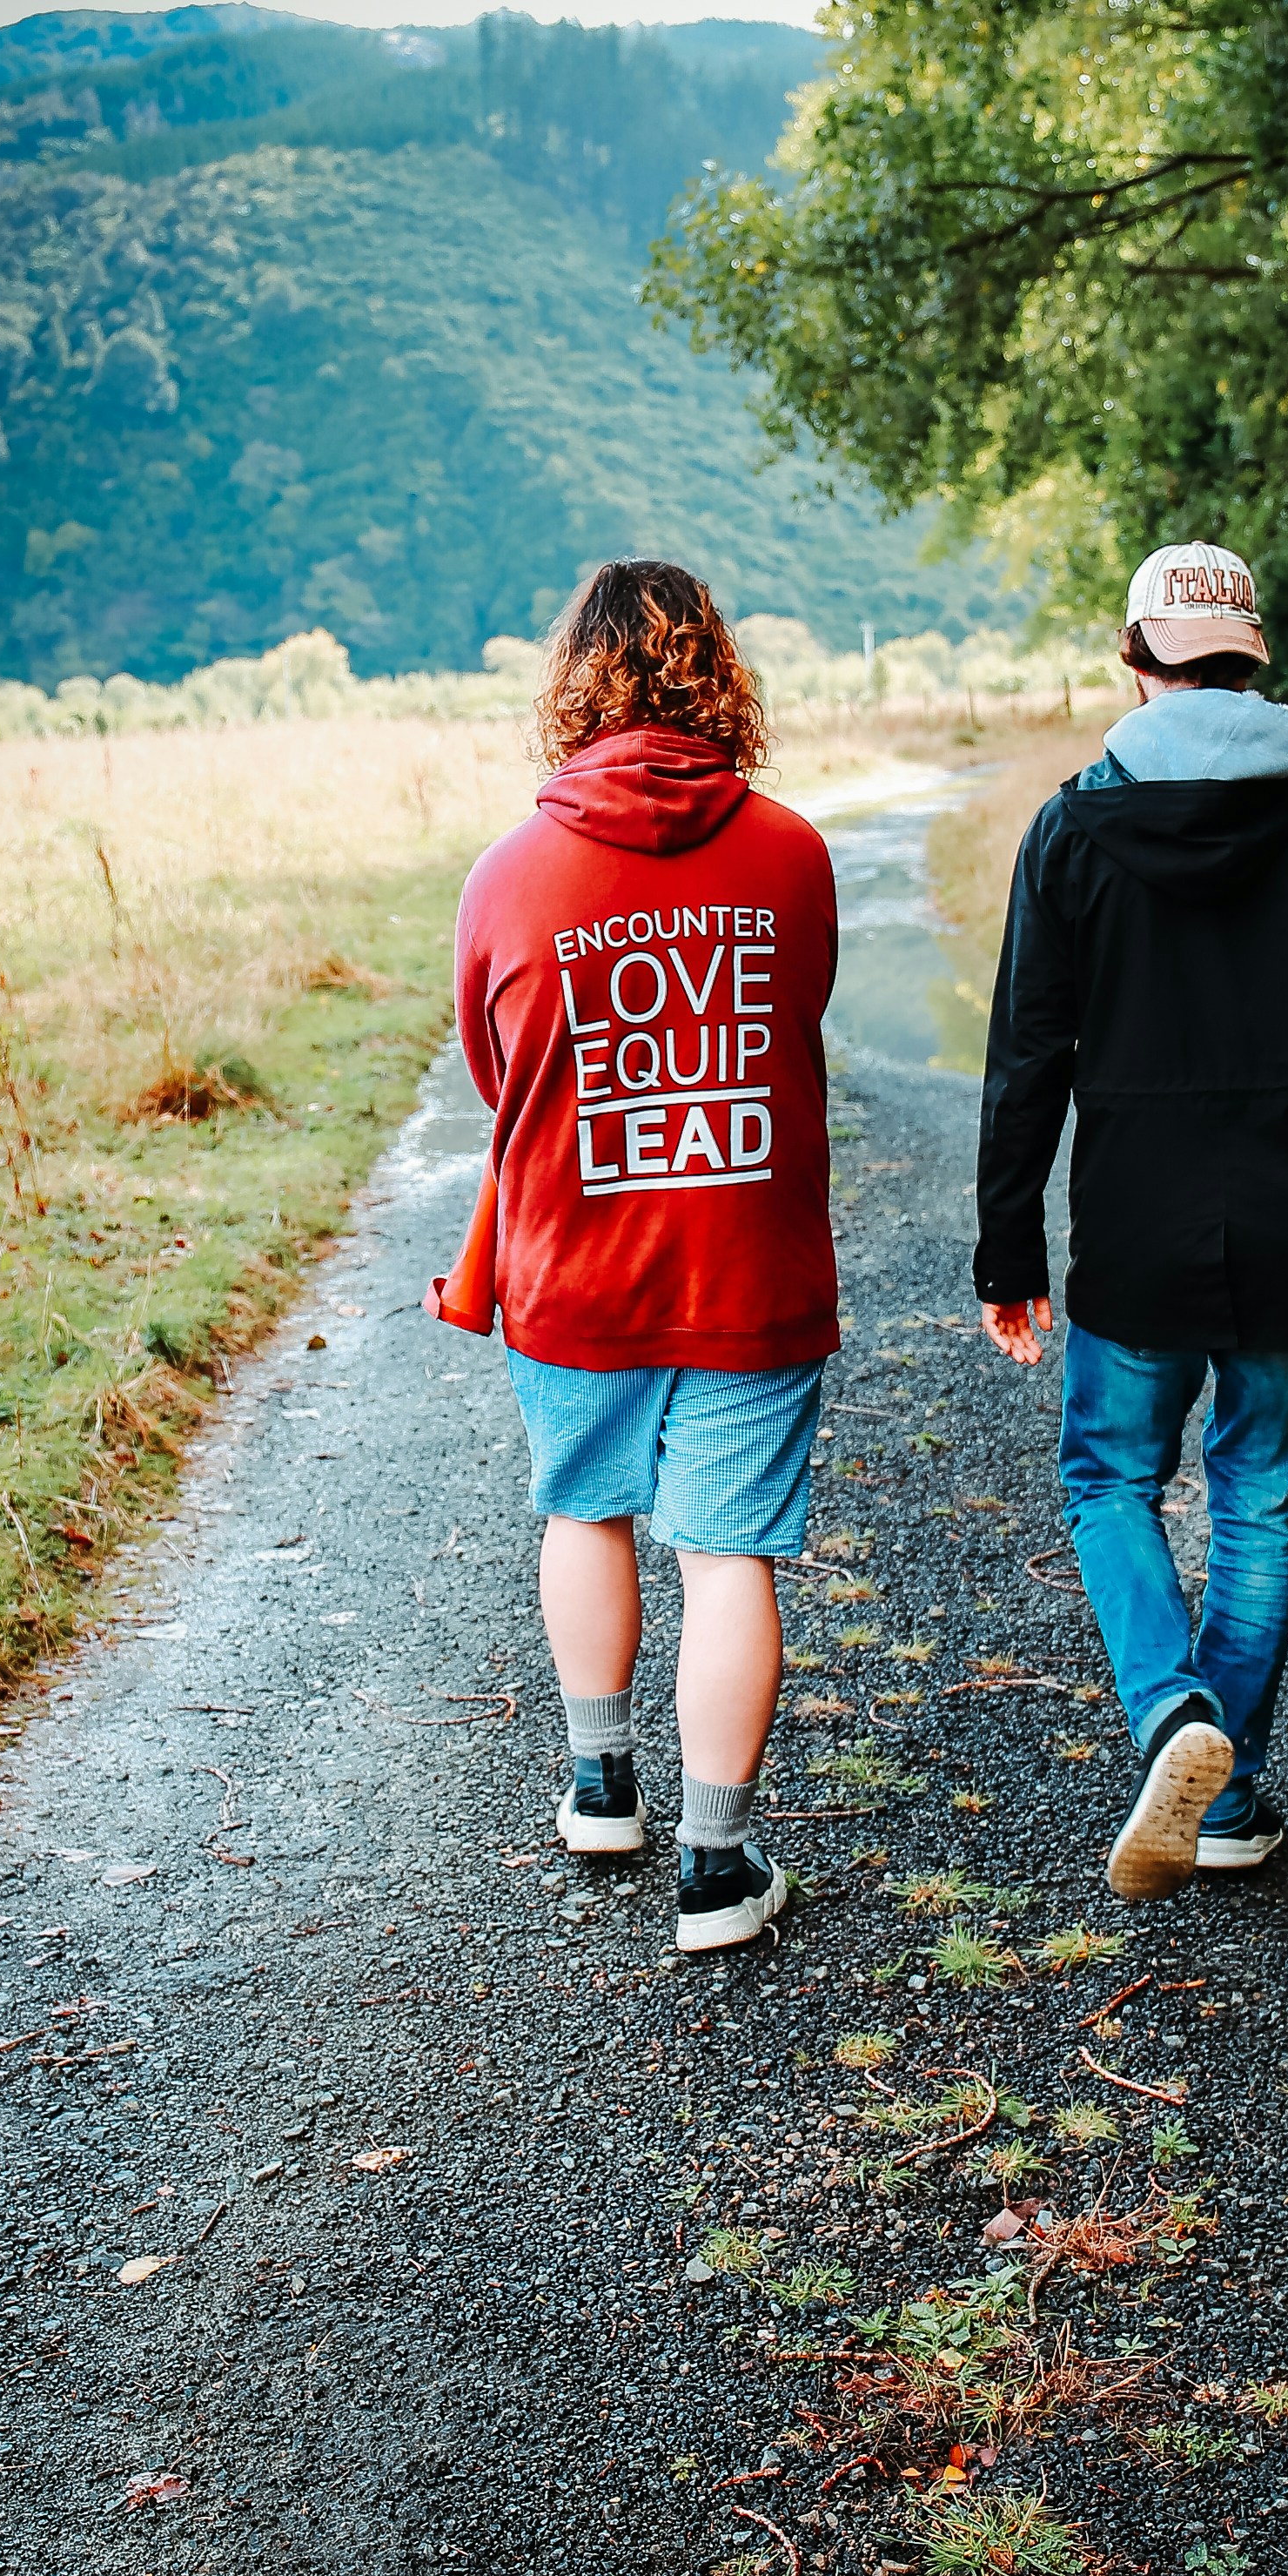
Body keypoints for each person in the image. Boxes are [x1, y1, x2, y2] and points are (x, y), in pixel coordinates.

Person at [972, 538, 1288, 1900]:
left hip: (1132, 1230)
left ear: (1135, 663)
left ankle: (1172, 1712)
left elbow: (1028, 1060)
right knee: (1254, 1493)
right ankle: (1228, 1794)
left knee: (1109, 1479)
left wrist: (1010, 1248)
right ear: (1253, 657)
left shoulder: (1072, 827)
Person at [426, 560, 840, 1953]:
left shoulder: (508, 872)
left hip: (575, 1265)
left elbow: (501, 1075)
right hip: (748, 1267)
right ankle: (718, 1872)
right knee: (728, 1558)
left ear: (574, 683)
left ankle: (601, 1786)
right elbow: (801, 1010)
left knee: (586, 1511)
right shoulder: (790, 852)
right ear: (719, 675)